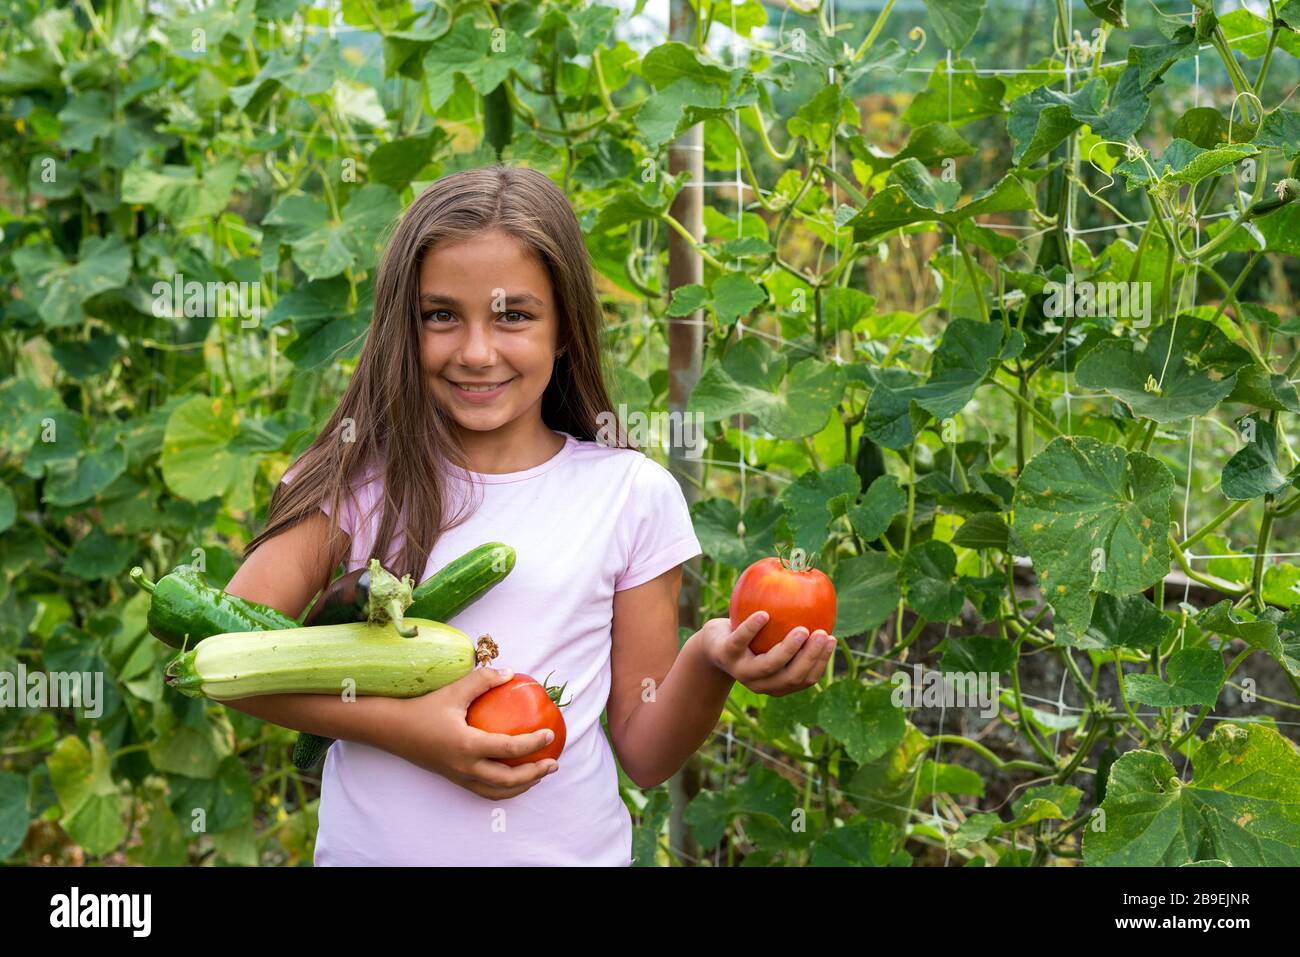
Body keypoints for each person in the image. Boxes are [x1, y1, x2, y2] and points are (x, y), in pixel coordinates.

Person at [221, 164, 837, 865]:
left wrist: (711, 657)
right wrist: (408, 729)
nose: (477, 352)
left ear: (566, 328)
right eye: (441, 315)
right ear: (404, 324)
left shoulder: (630, 494)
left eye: (514, 314)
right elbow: (233, 660)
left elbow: (643, 751)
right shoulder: (353, 482)